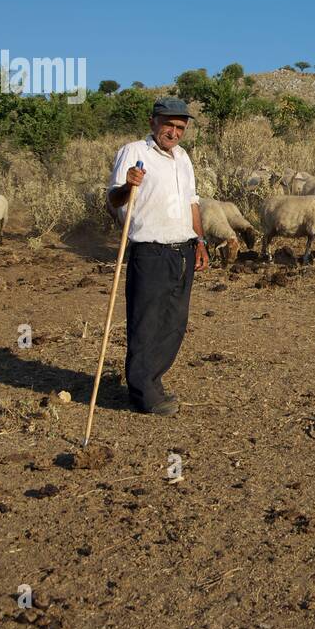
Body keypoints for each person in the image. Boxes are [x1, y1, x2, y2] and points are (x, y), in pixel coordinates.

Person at [106, 97, 209, 415]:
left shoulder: (183, 159)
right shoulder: (134, 152)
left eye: (181, 127)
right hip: (150, 251)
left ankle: (153, 380)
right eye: (169, 125)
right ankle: (143, 394)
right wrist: (127, 185)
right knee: (146, 322)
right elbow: (113, 200)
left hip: (183, 250)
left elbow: (192, 202)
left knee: (174, 323)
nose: (175, 132)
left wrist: (200, 240)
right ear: (153, 122)